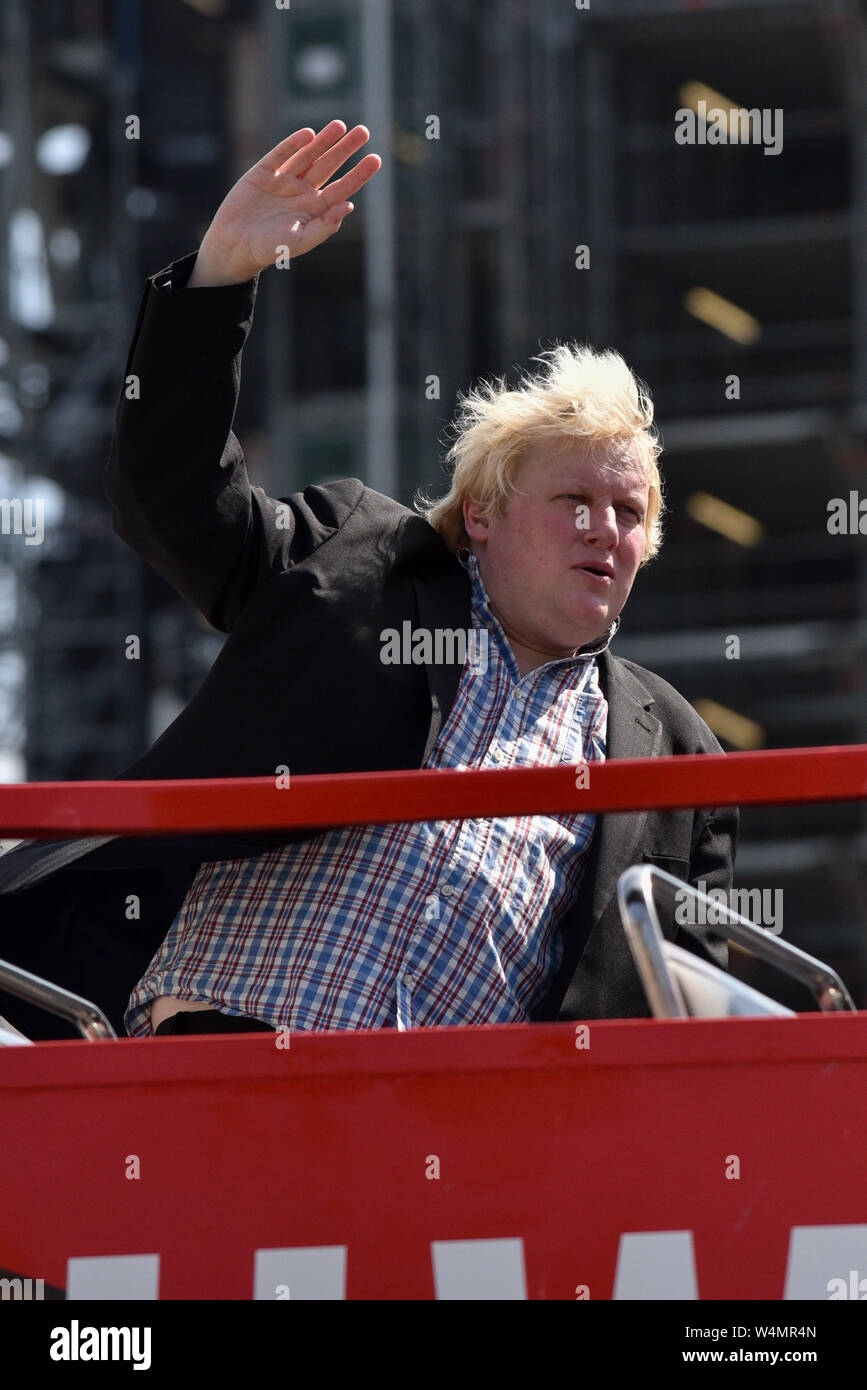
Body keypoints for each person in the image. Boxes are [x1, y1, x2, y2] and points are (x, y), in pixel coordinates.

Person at [0, 121, 736, 1039]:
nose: (605, 529)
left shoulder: (673, 751)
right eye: (574, 499)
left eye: (630, 516)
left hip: (450, 1137)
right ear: (482, 514)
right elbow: (171, 500)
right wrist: (221, 274)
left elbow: (691, 1000)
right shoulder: (360, 557)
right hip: (219, 1054)